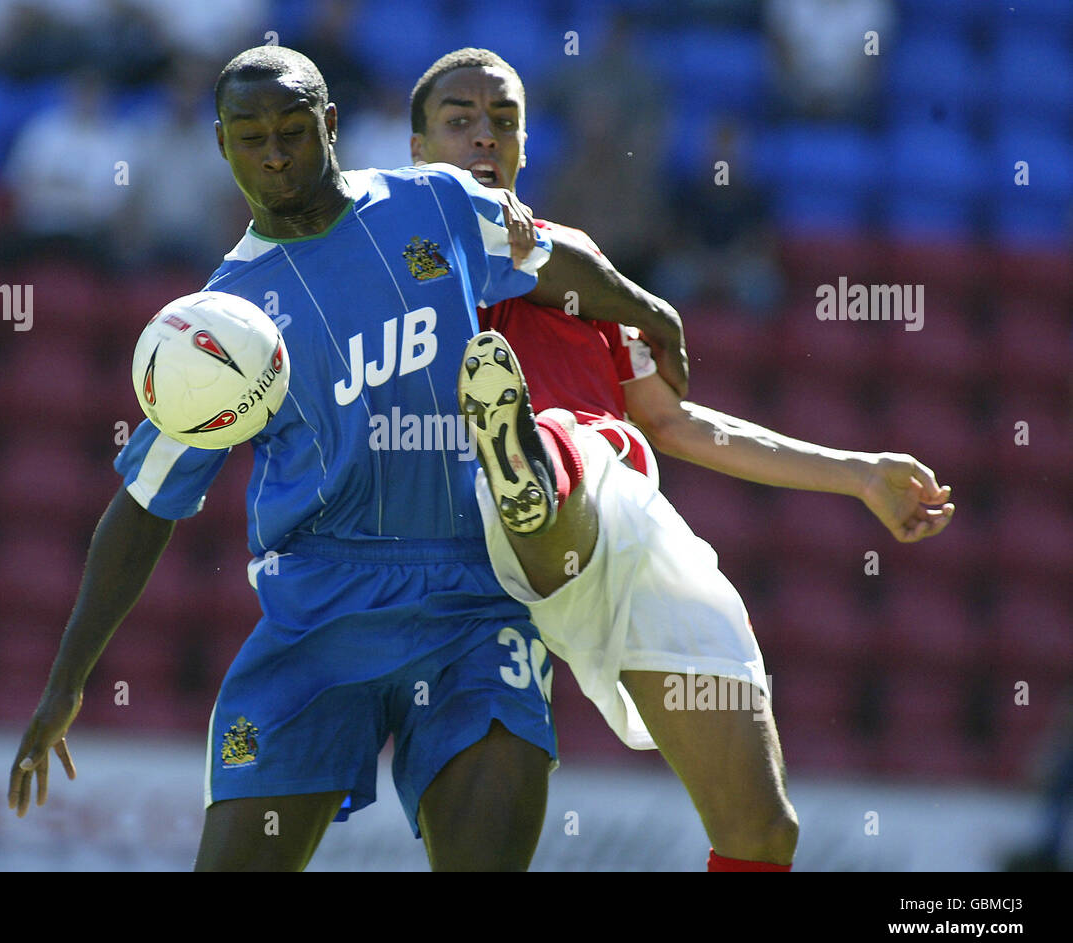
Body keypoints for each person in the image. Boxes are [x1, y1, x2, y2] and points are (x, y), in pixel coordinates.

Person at [7, 45, 687, 872]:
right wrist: (67, 682)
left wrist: (649, 309)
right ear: (220, 145)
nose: (275, 153)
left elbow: (543, 261)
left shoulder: (435, 202)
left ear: (329, 123)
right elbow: (147, 506)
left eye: (293, 129)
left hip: (476, 599)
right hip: (319, 614)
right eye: (250, 137)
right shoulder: (219, 327)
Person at [409, 48, 955, 870]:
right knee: (555, 454)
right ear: (416, 149)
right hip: (470, 527)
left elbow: (676, 422)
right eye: (459, 121)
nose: (485, 135)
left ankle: (532, 465)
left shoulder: (580, 261)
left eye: (504, 120)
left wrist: (858, 470)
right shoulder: (391, 254)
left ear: (525, 144)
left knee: (763, 832)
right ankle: (522, 459)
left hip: (621, 520)